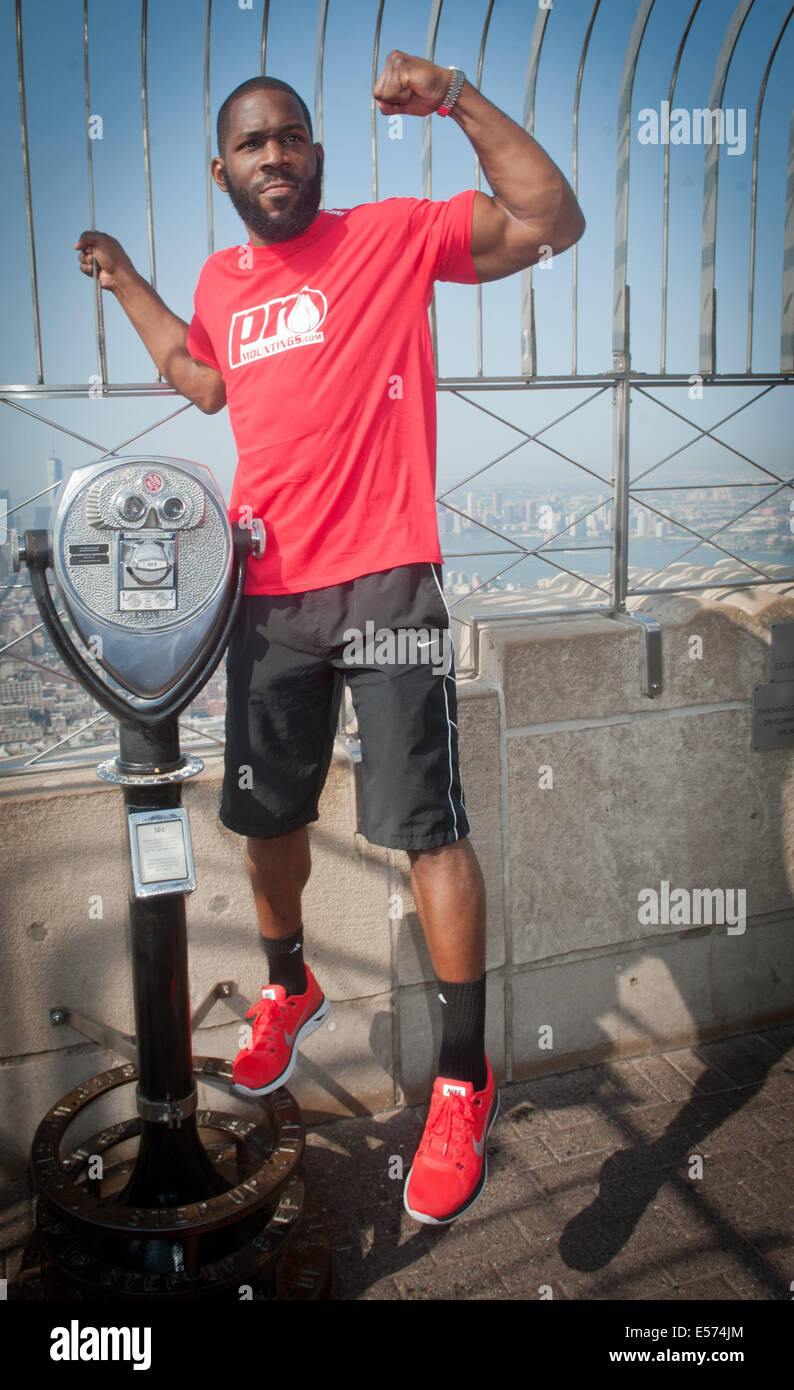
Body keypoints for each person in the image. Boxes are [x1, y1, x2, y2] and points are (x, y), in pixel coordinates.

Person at [75, 50, 585, 1226]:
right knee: (264, 819)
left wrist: (453, 97)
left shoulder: (392, 236)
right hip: (272, 595)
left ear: (318, 150)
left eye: (292, 136)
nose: (276, 155)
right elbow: (200, 382)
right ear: (223, 168)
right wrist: (134, 282)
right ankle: (289, 986)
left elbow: (546, 219)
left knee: (424, 825)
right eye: (254, 143)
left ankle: (461, 1074)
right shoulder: (222, 278)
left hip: (390, 583)